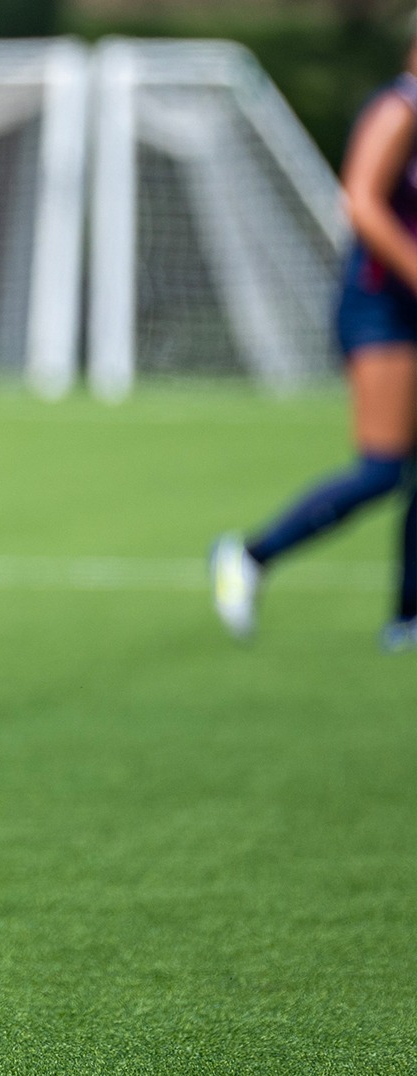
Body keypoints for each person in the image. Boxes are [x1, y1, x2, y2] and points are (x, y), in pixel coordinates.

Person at [211, 27, 417, 652]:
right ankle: (250, 556)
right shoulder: (400, 109)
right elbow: (360, 202)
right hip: (380, 307)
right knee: (382, 470)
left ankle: (407, 617)